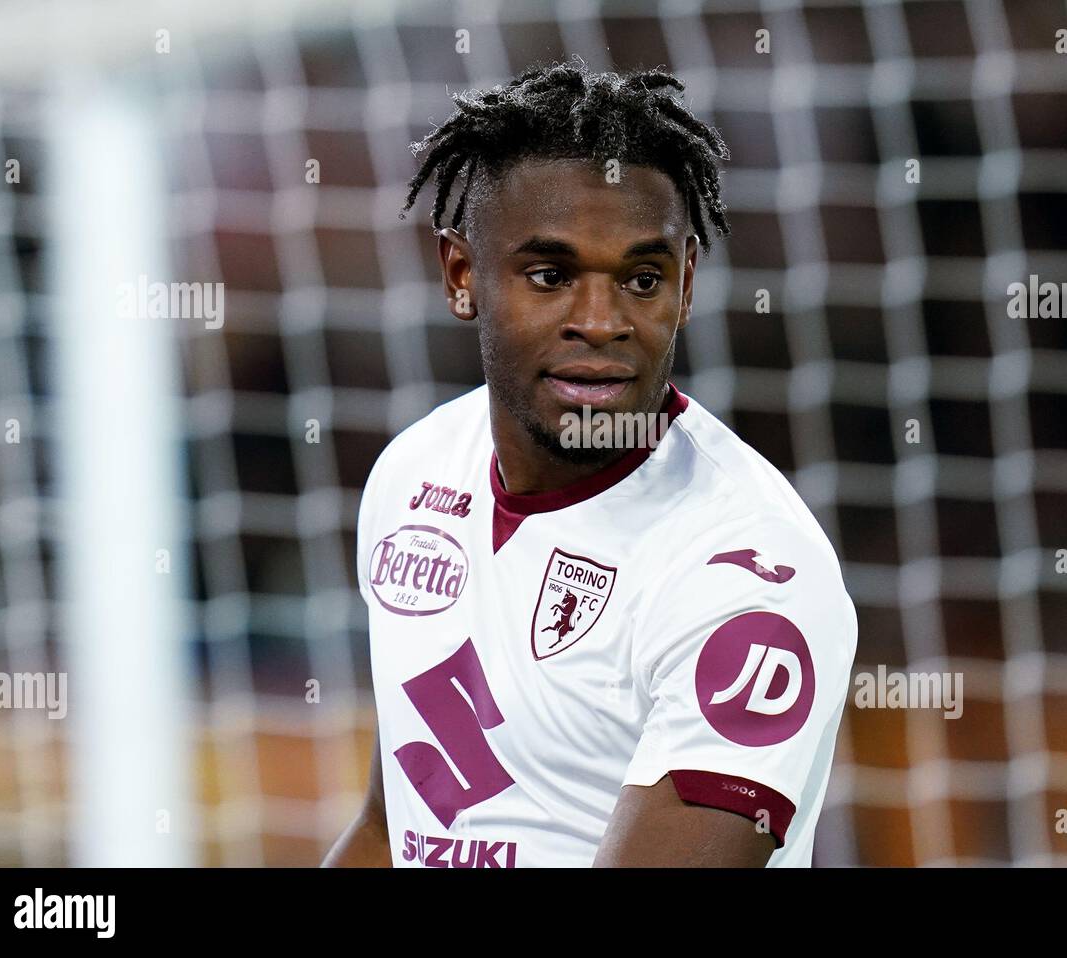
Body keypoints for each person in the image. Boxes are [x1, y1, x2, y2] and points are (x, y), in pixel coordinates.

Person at [323, 59, 857, 868]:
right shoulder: (414, 474)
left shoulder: (750, 581)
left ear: (684, 289)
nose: (602, 322)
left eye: (643, 279)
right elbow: (391, 830)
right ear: (462, 276)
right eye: (551, 275)